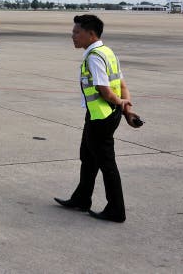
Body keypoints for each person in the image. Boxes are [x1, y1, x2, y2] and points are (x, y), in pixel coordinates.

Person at [54, 14, 135, 223]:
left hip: (102, 116)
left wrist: (121, 105)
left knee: (106, 164)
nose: (72, 36)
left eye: (76, 32)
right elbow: (123, 86)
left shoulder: (95, 57)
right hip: (104, 113)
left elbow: (105, 90)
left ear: (91, 34)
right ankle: (81, 198)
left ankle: (116, 210)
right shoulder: (108, 52)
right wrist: (126, 109)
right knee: (88, 157)